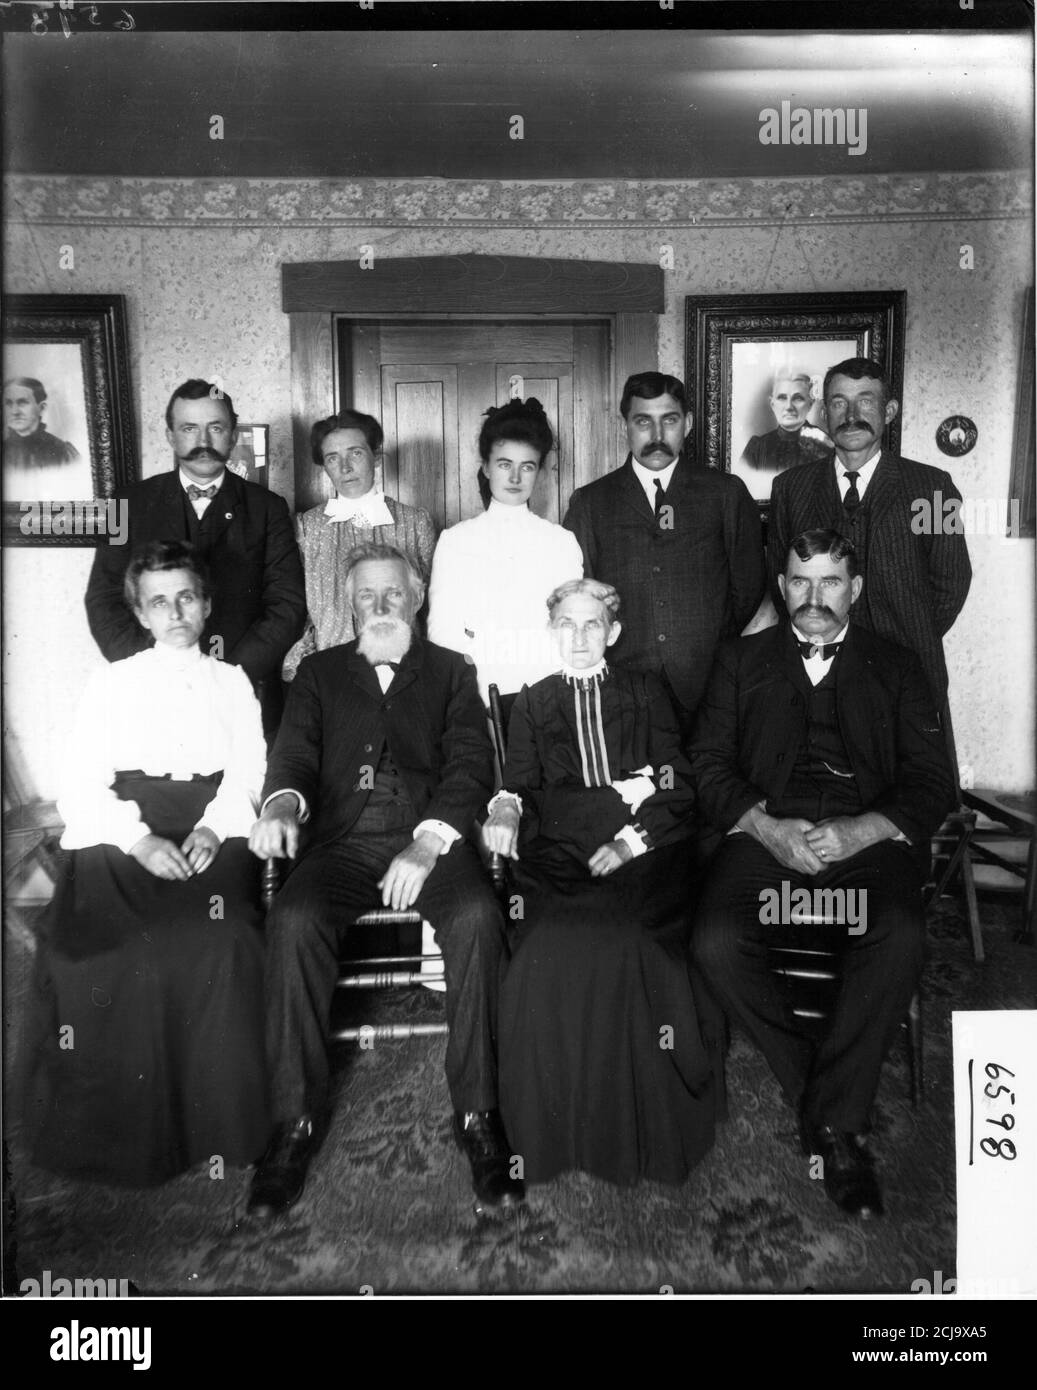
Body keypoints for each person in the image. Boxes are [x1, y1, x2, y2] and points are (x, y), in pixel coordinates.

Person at [246, 542, 521, 1219]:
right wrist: (280, 805)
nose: (379, 606)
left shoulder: (451, 670)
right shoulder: (318, 673)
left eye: (392, 593)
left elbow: (469, 765)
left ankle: (479, 1115)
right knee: (293, 920)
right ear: (349, 605)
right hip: (342, 844)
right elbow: (292, 758)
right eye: (365, 595)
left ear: (417, 597)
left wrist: (428, 842)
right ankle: (292, 1123)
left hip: (430, 841)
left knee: (478, 918)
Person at [688, 530, 955, 1220]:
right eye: (800, 581)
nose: (814, 597)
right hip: (765, 837)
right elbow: (707, 766)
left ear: (854, 589)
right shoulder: (738, 662)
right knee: (713, 941)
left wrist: (861, 830)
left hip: (862, 845)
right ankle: (826, 1099)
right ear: (782, 588)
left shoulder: (898, 666)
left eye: (830, 581)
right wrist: (767, 830)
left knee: (899, 935)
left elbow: (932, 782)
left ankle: (831, 1122)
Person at [24, 541, 269, 1185]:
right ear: (139, 613)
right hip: (122, 830)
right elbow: (79, 782)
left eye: (186, 597)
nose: (175, 612)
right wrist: (136, 840)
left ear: (206, 604)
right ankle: (126, 1135)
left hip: (212, 823)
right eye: (159, 602)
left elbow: (250, 771)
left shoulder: (233, 681)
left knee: (224, 938)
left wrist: (215, 826)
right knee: (117, 951)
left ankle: (219, 1128)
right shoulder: (112, 682)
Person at [482, 578, 721, 1185]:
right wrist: (506, 805)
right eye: (567, 624)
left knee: (631, 940)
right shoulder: (533, 702)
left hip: (644, 848)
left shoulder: (646, 691)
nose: (579, 637)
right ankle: (547, 1132)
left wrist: (629, 837)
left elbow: (675, 779)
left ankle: (644, 1134)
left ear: (613, 633)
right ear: (552, 631)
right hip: (558, 853)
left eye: (592, 625)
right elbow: (520, 785)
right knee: (543, 944)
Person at [84, 379, 307, 737]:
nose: (203, 442)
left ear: (233, 436)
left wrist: (229, 676)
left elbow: (287, 605)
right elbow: (104, 599)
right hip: (152, 698)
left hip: (243, 693)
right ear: (171, 436)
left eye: (215, 428)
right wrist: (154, 670)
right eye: (189, 428)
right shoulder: (125, 504)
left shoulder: (268, 508)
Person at [563, 370, 765, 732]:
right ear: (624, 426)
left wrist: (705, 642)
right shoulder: (590, 502)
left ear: (687, 424)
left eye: (669, 420)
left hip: (708, 681)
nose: (657, 436)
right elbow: (582, 592)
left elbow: (748, 586)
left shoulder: (724, 493)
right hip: (624, 684)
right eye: (643, 421)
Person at [767, 358, 972, 707]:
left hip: (909, 670)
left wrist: (911, 633)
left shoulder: (934, 487)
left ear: (888, 411)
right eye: (838, 403)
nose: (851, 415)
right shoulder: (789, 488)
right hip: (815, 671)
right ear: (824, 413)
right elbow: (780, 580)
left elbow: (952, 581)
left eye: (865, 401)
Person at [428, 397, 583, 722]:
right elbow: (443, 634)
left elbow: (571, 628)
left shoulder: (561, 542)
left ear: (539, 471)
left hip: (547, 696)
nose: (515, 478)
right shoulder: (456, 541)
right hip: (479, 696)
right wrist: (466, 700)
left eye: (527, 466)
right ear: (486, 467)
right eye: (504, 464)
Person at [282, 408, 437, 680]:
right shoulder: (308, 527)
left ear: (375, 457)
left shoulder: (415, 523)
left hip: (401, 667)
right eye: (333, 458)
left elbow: (423, 604)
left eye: (355, 453)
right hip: (330, 669)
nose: (345, 468)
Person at [739, 372, 833, 474]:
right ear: (772, 404)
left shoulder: (825, 446)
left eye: (798, 398)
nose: (789, 407)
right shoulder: (757, 448)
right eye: (782, 398)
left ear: (810, 404)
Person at [3, 376, 80, 467]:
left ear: (41, 408)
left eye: (22, 403)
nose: (14, 412)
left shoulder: (64, 452)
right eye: (8, 403)